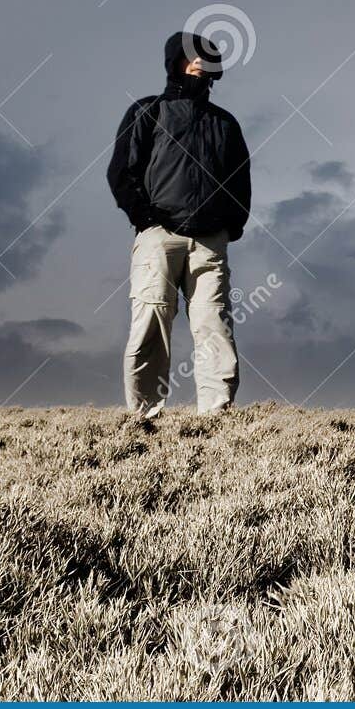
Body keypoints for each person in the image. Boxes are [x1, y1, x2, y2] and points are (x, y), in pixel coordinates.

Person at [106, 31, 251, 421]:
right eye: (193, 57)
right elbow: (122, 172)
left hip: (209, 243)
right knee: (151, 323)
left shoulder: (226, 124)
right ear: (176, 61)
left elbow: (240, 180)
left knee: (214, 326)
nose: (201, 64)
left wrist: (229, 227)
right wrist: (145, 217)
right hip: (159, 237)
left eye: (208, 59)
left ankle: (216, 418)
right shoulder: (147, 111)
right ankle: (144, 418)